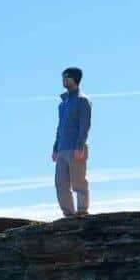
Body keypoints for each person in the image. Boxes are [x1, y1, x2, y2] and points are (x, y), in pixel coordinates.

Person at [52, 67, 92, 217]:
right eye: (63, 76)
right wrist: (55, 147)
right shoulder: (62, 104)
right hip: (62, 149)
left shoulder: (83, 100)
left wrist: (80, 144)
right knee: (60, 184)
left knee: (78, 183)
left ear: (75, 79)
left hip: (76, 148)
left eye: (67, 77)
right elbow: (59, 127)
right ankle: (69, 214)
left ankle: (82, 212)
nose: (64, 79)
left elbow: (85, 124)